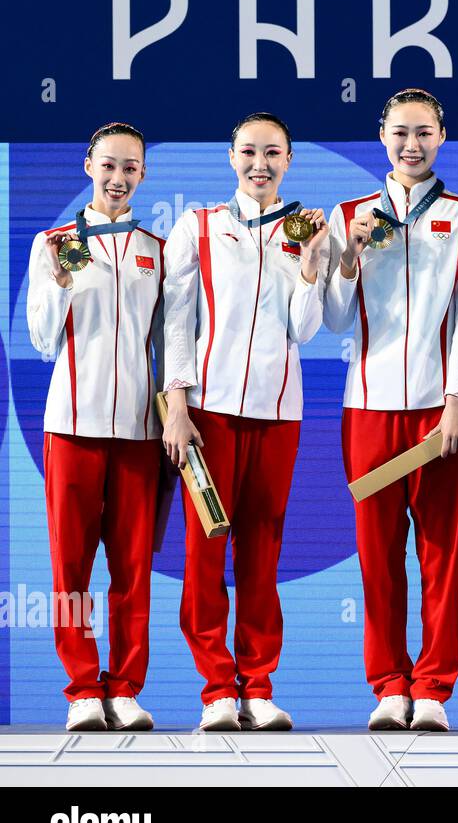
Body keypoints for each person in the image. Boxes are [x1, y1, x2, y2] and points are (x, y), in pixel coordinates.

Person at [161, 112, 329, 731]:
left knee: (263, 553)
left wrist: (312, 263)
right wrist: (176, 402)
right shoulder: (198, 227)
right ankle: (215, 691)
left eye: (274, 153)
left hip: (277, 412)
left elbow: (306, 328)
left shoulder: (307, 228)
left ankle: (257, 686)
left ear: (290, 161)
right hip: (206, 416)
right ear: (231, 158)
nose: (261, 164)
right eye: (249, 152)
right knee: (206, 553)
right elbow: (176, 321)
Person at [324, 89, 458, 732]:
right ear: (381, 136)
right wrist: (348, 257)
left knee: (445, 554)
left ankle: (436, 689)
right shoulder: (349, 215)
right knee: (377, 554)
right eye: (399, 133)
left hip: (440, 412)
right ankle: (389, 684)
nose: (411, 144)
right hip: (367, 409)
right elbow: (334, 317)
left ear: (442, 136)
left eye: (423, 132)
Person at [28, 122, 163, 732]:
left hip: (139, 432)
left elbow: (167, 346)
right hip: (71, 427)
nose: (118, 177)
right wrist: (59, 284)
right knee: (71, 567)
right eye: (108, 165)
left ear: (141, 175)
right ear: (88, 167)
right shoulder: (55, 242)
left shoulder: (155, 251)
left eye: (130, 168)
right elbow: (39, 339)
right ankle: (83, 688)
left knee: (133, 567)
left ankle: (125, 688)